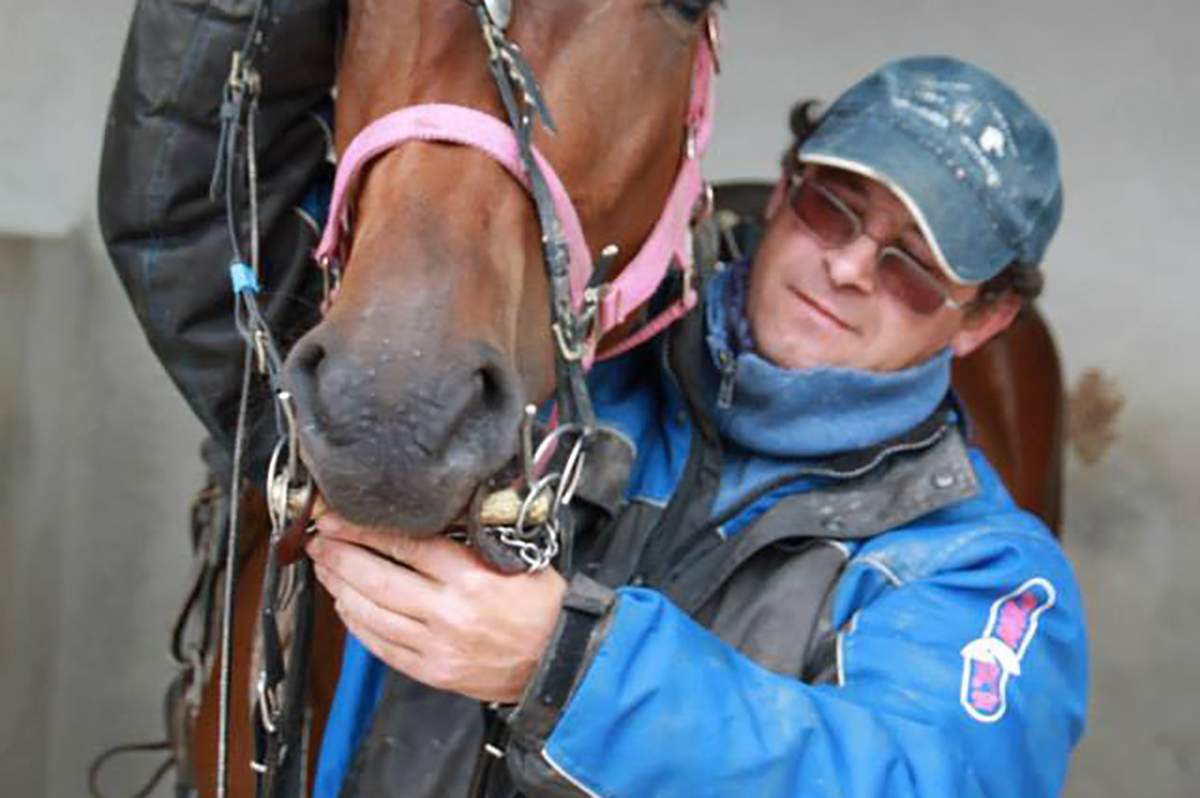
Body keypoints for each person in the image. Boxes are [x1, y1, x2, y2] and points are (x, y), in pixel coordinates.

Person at [305, 56, 1088, 797]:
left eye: (912, 268)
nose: (848, 268)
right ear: (783, 190)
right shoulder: (559, 368)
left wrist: (569, 669)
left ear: (984, 321)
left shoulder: (984, 572)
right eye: (832, 209)